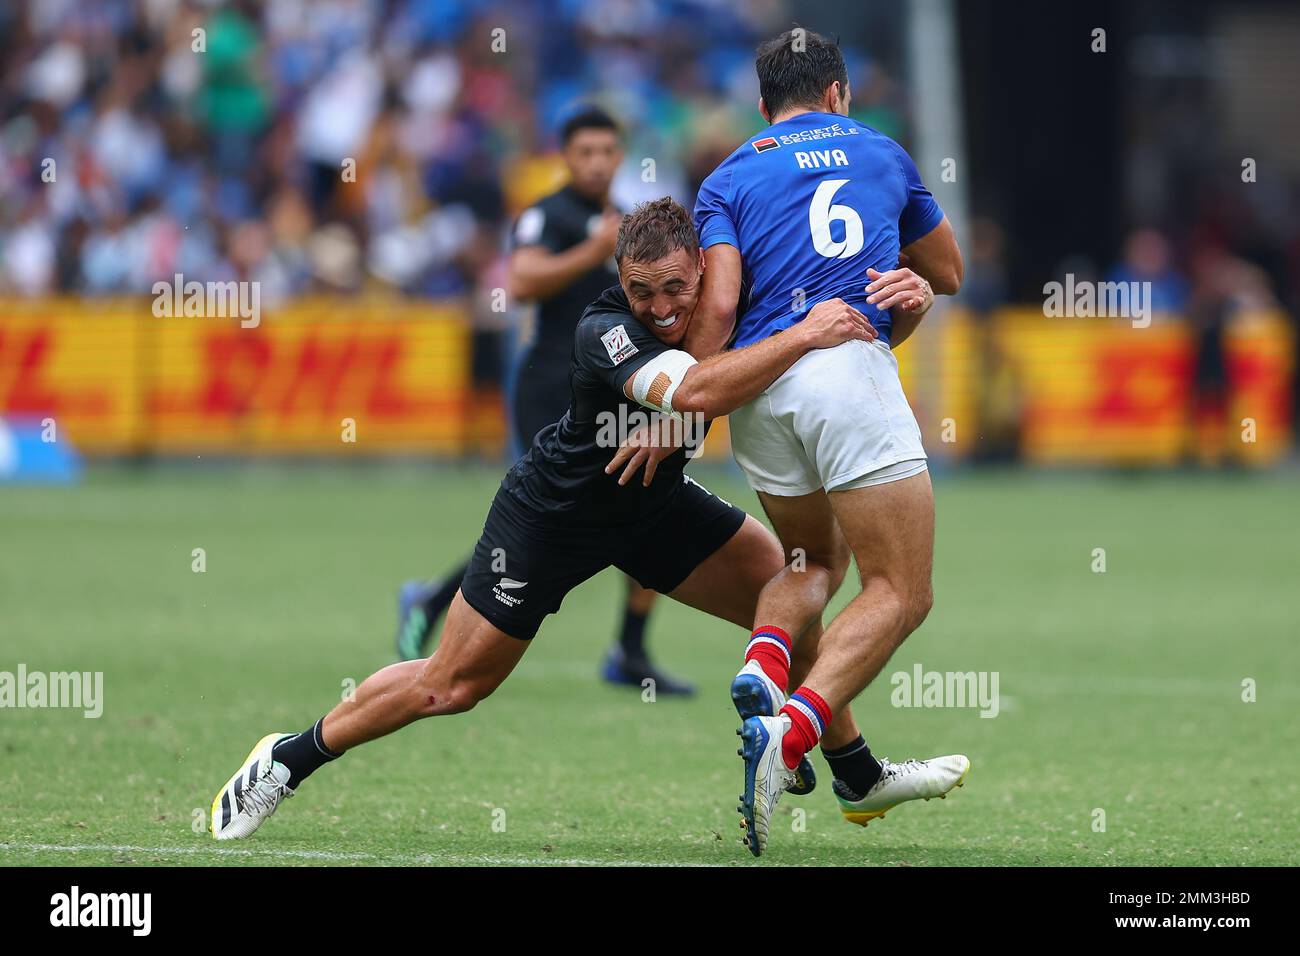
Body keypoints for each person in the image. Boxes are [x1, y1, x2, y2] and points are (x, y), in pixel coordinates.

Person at [210, 198, 918, 842]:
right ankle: (286, 759)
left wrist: (911, 297)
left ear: (704, 270)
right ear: (621, 279)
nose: (661, 308)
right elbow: (700, 388)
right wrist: (796, 340)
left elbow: (845, 318)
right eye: (643, 291)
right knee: (451, 685)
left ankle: (851, 770)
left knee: (793, 594)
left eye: (676, 287)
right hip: (554, 515)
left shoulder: (726, 306)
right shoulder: (603, 329)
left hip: (655, 508)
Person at [675, 30, 970, 855]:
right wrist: (909, 288)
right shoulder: (879, 150)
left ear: (763, 104)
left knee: (810, 565)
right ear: (838, 92)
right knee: (901, 592)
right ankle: (793, 733)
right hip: (845, 367)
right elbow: (947, 270)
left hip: (763, 390)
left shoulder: (729, 174)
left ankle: (766, 665)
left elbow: (721, 311)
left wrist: (692, 395)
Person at [394, 107, 693, 695]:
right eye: (584, 152)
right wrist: (592, 250)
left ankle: (630, 649)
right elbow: (523, 282)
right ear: (565, 157)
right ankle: (433, 599)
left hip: (619, 386)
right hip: (553, 387)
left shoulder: (630, 223)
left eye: (607, 151)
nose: (596, 163)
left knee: (649, 496)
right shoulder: (548, 216)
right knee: (549, 517)